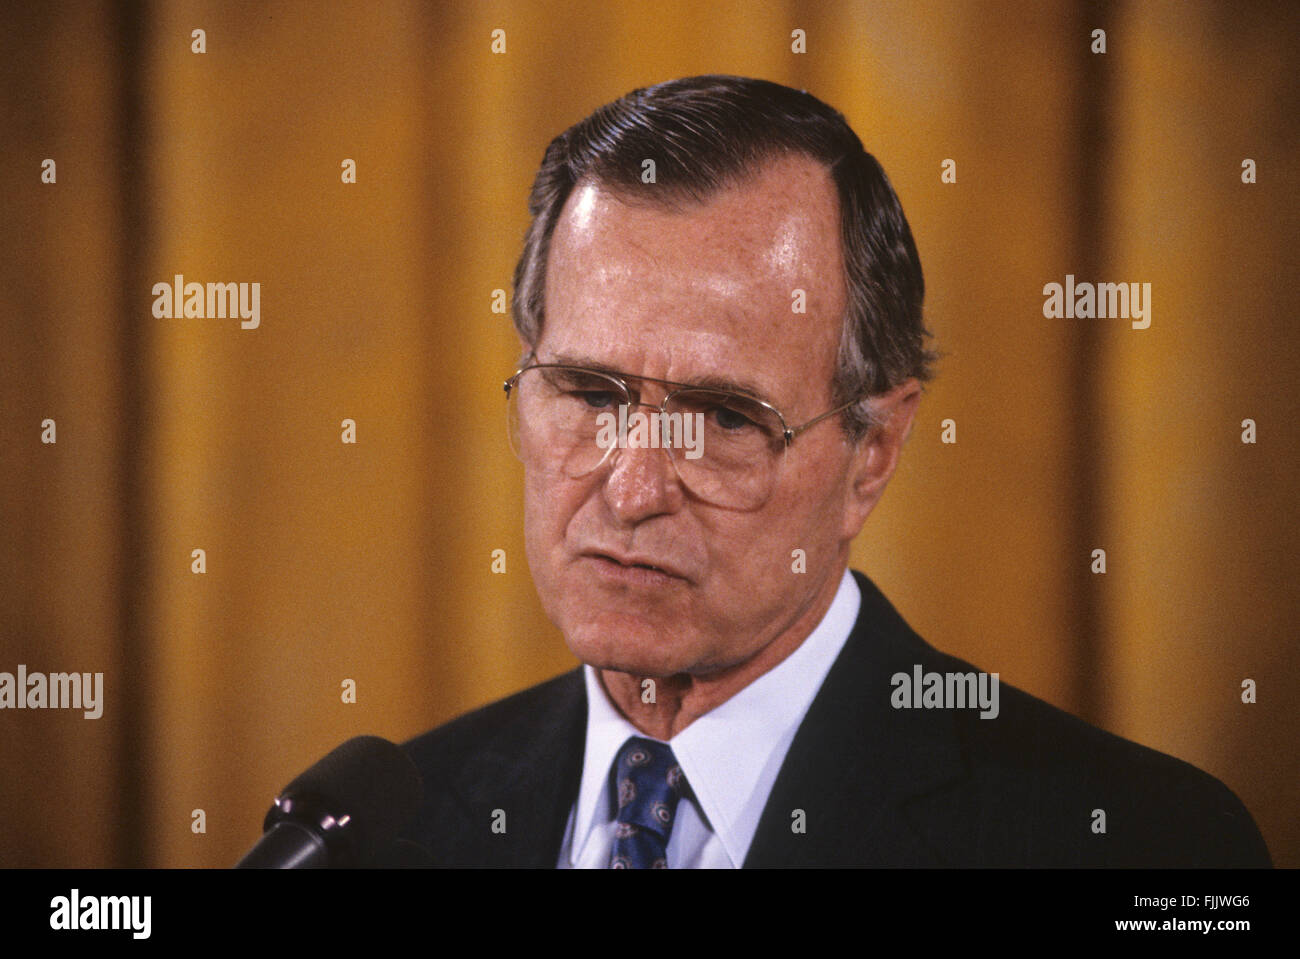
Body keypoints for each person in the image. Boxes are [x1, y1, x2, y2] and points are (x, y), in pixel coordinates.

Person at [398, 75, 1269, 867]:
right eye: (589, 393)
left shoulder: (1144, 845)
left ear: (873, 453)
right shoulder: (386, 828)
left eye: (725, 417)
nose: (631, 493)